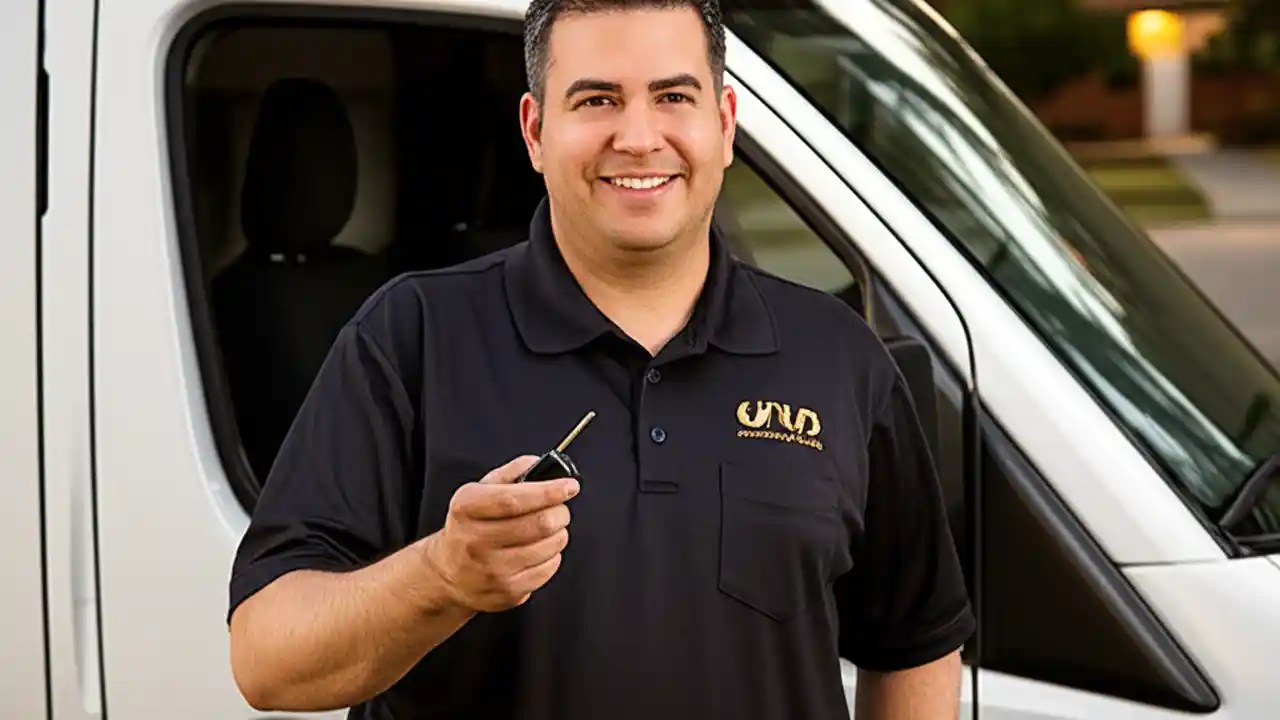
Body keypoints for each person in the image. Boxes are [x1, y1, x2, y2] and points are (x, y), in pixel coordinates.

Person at [226, 0, 976, 717]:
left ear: (724, 123)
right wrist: (444, 574)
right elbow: (267, 660)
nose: (640, 137)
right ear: (535, 131)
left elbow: (915, 640)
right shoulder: (411, 337)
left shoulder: (838, 354)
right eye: (596, 101)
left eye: (673, 96)